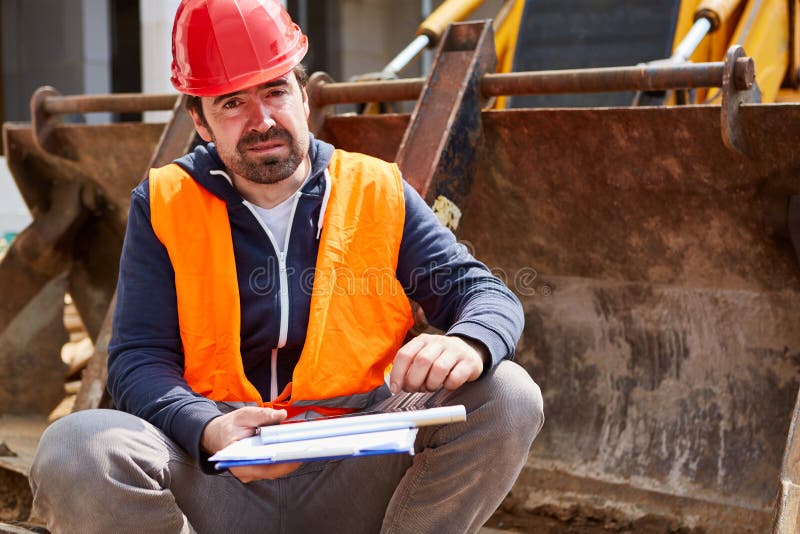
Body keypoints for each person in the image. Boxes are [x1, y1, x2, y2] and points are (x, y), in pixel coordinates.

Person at [29, 1, 544, 532]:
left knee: (508, 395)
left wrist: (467, 341)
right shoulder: (163, 203)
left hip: (354, 466)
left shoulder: (376, 189)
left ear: (302, 93)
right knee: (74, 448)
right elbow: (138, 359)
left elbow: (482, 293)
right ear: (200, 122)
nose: (262, 120)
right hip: (218, 480)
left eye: (275, 90)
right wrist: (209, 428)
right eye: (232, 103)